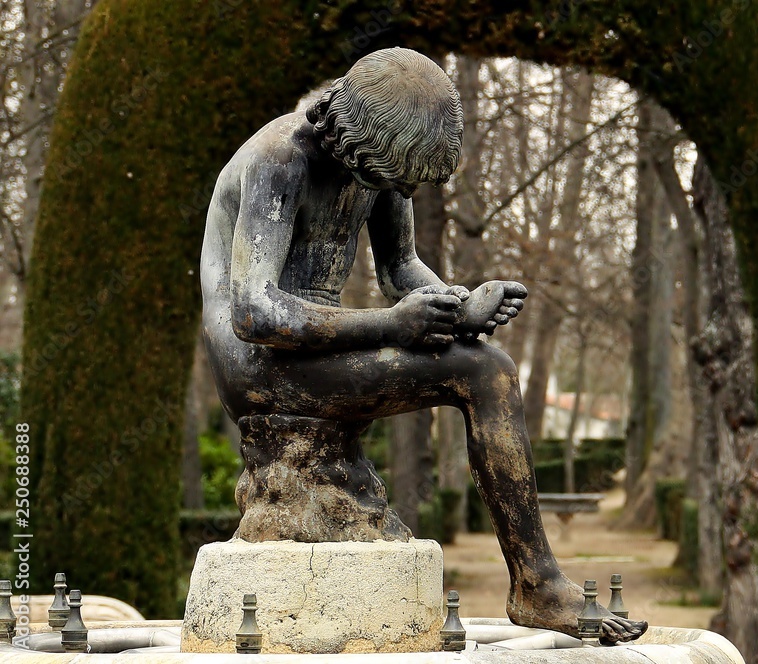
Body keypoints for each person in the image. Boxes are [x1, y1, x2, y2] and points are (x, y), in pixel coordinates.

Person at [200, 47, 646, 643]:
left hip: (316, 351)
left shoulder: (376, 157)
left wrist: (460, 307)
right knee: (481, 374)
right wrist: (393, 325)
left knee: (488, 365)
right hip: (259, 369)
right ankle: (536, 586)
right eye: (396, 180)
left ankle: (537, 586)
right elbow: (255, 312)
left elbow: (402, 270)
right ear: (360, 148)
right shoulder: (282, 161)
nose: (402, 191)